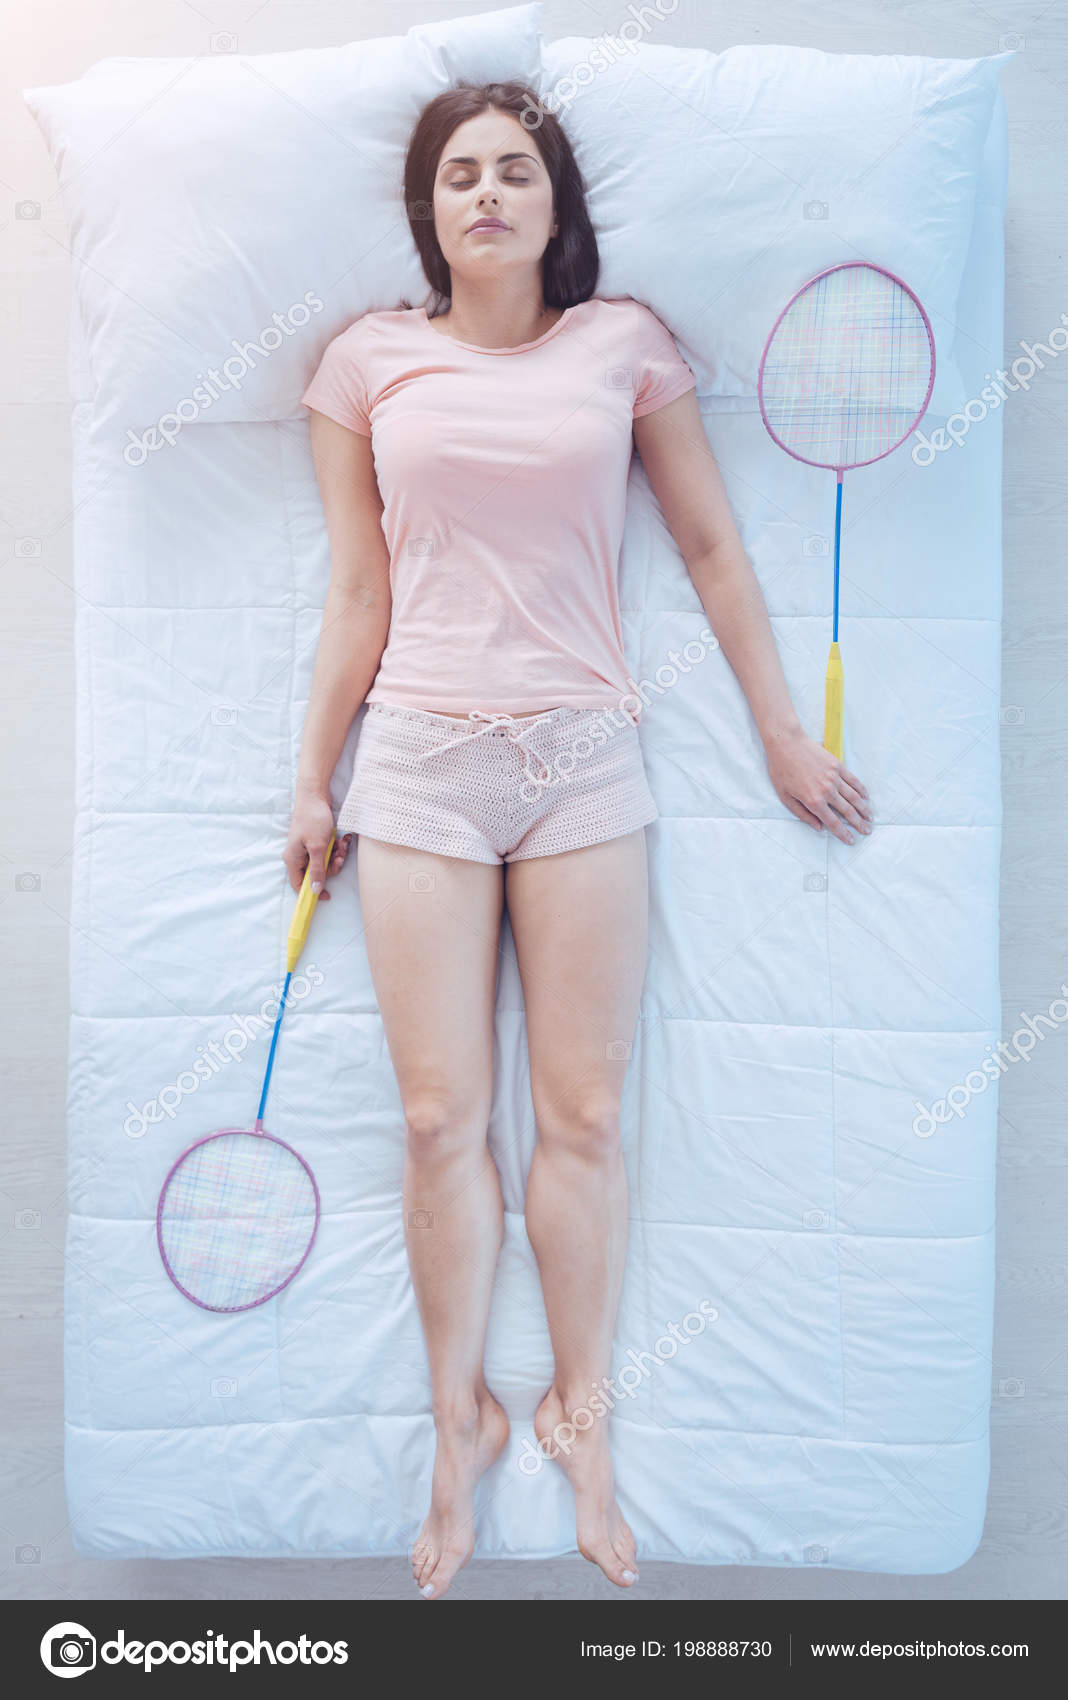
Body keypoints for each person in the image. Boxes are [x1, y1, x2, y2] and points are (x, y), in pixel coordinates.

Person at [288, 80, 873, 1602]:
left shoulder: (623, 345)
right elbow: (355, 590)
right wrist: (311, 780)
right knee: (438, 1118)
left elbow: (711, 547)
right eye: (460, 175)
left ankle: (580, 1412)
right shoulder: (365, 363)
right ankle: (458, 1423)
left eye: (515, 171)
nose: (487, 192)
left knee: (588, 1116)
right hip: (419, 757)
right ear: (428, 212)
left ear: (556, 207)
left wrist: (780, 732)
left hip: (581, 757)